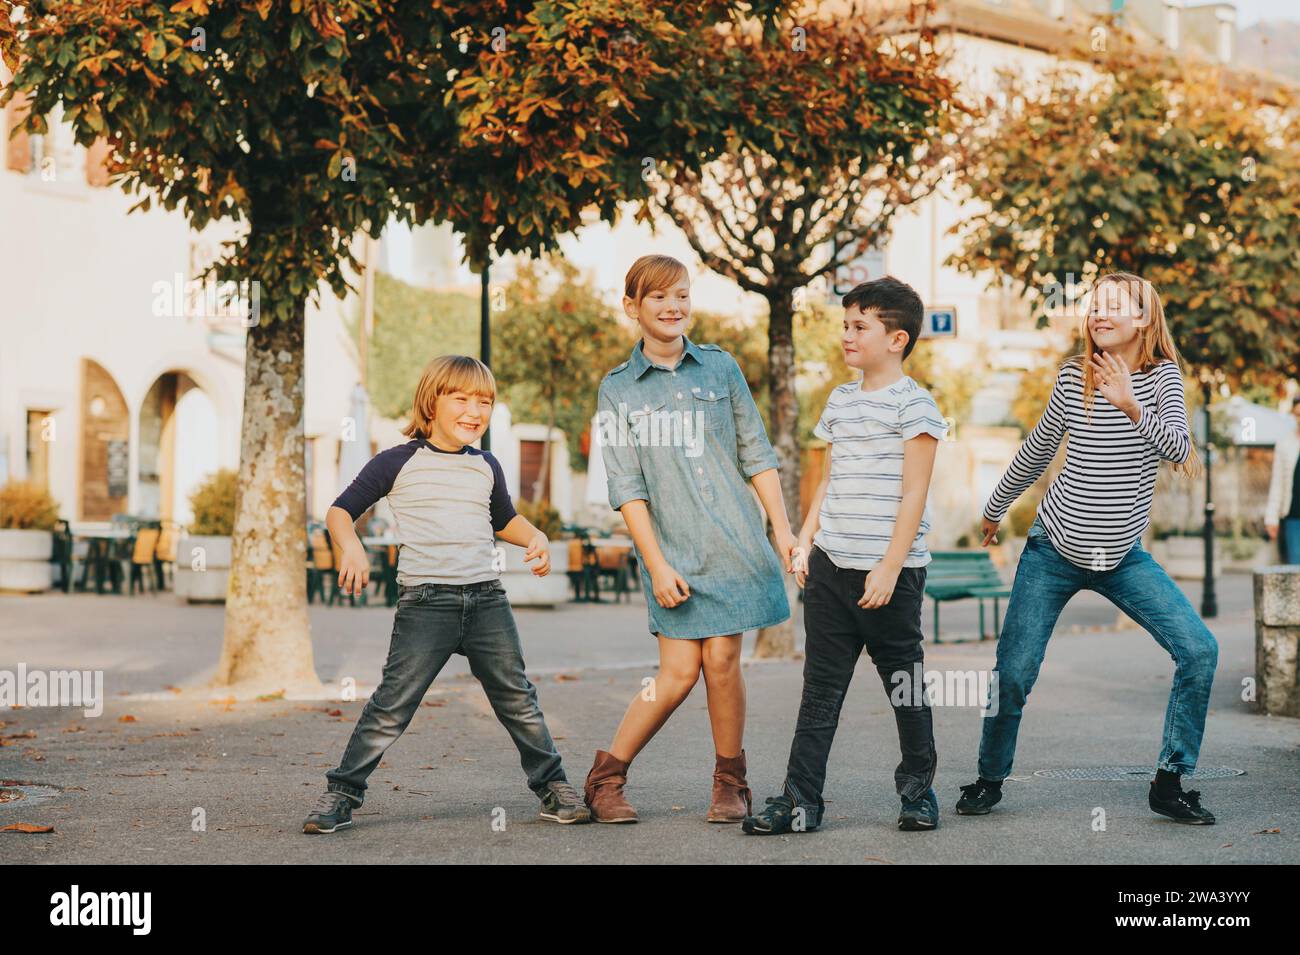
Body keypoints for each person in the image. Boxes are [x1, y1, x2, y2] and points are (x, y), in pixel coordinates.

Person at [956, 273, 1219, 825]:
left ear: (1143, 318)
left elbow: (1178, 448)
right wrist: (995, 507)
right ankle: (988, 778)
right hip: (1053, 550)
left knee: (1198, 651)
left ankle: (1170, 781)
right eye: (1094, 304)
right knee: (1014, 672)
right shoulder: (1074, 376)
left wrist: (1131, 404)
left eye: (1114, 305)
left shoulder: (1163, 378)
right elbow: (1039, 447)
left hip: (1121, 558)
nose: (1099, 313)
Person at [303, 355, 590, 833]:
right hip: (426, 604)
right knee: (392, 706)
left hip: (486, 601)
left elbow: (504, 520)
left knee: (517, 699)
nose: (474, 411)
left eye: (484, 402)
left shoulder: (487, 465)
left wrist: (535, 536)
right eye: (461, 399)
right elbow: (339, 511)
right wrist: (350, 546)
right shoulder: (396, 461)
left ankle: (553, 787)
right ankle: (342, 793)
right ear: (431, 402)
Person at [584, 254, 797, 824]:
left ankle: (730, 783)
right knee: (677, 674)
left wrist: (782, 530)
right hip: (671, 550)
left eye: (681, 294)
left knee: (723, 659)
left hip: (733, 542)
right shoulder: (617, 389)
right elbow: (626, 486)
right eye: (658, 296)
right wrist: (655, 564)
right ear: (632, 306)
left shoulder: (721, 369)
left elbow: (756, 452)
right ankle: (606, 778)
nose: (673, 306)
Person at [742, 276, 948, 835]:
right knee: (819, 692)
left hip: (890, 576)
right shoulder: (840, 400)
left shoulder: (916, 405)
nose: (847, 336)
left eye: (860, 326)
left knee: (904, 687)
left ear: (897, 339)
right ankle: (800, 800)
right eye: (845, 325)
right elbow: (830, 481)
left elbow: (914, 493)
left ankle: (918, 793)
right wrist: (806, 539)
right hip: (831, 571)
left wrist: (889, 566)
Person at [1265, 402, 1300, 564]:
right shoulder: (1285, 444)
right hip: (1293, 516)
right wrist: (1271, 518)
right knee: (1296, 568)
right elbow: (1277, 483)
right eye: (1298, 414)